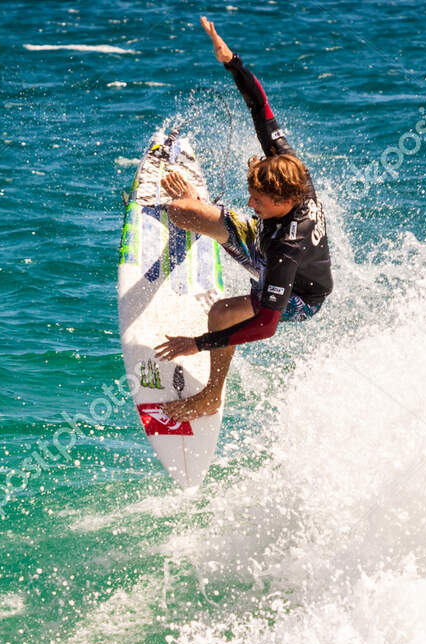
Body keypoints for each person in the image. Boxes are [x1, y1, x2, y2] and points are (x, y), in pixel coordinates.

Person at [153, 17, 332, 421]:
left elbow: (267, 326)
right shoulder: (288, 167)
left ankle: (210, 397)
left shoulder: (287, 247)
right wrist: (231, 60)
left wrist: (198, 343)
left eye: (258, 201)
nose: (251, 203)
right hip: (264, 242)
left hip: (299, 296)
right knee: (185, 213)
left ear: (283, 201)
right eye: (250, 196)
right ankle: (195, 205)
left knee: (220, 314)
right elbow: (260, 108)